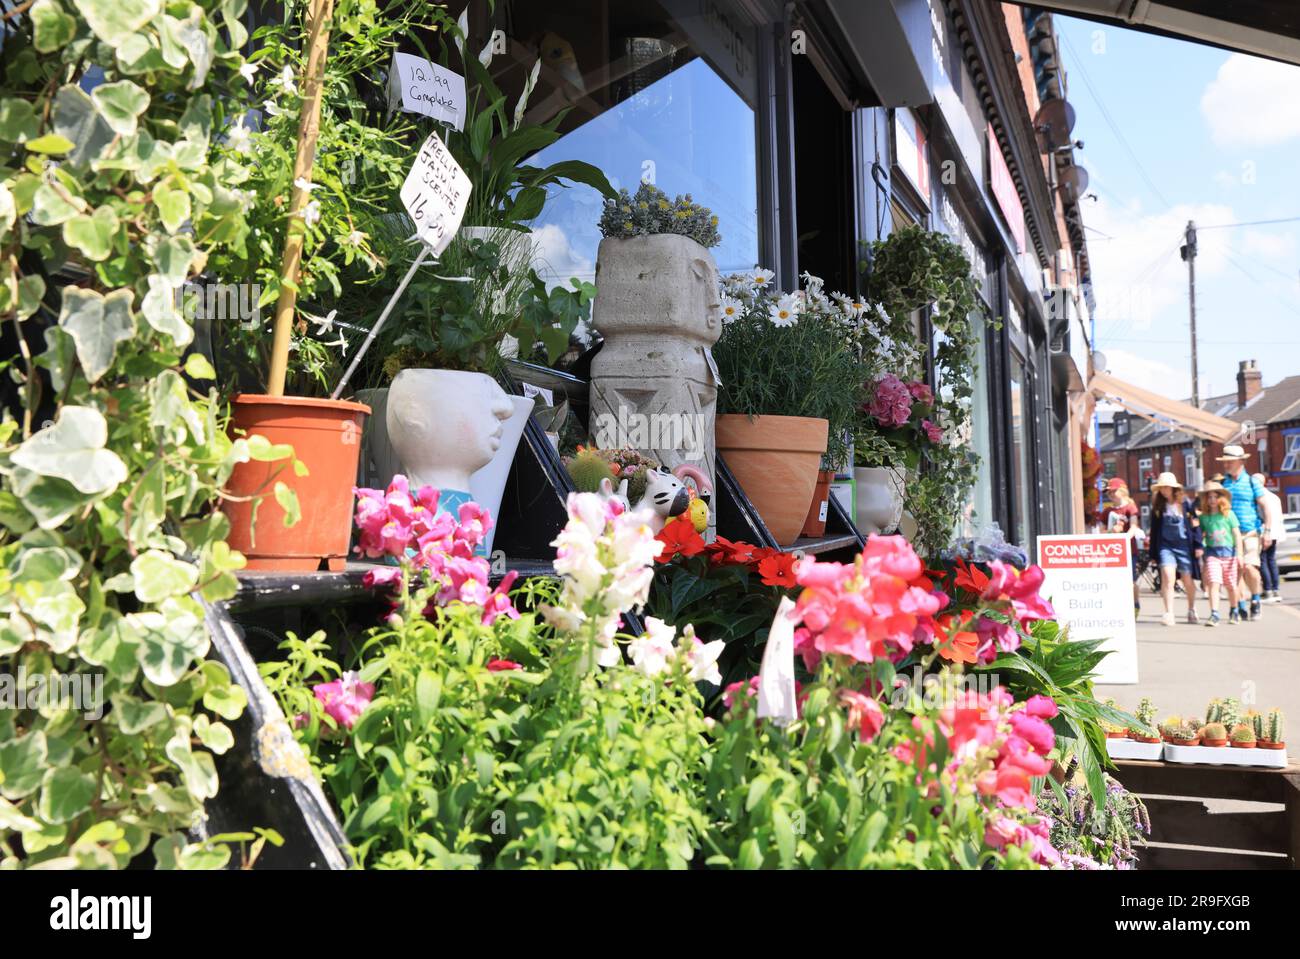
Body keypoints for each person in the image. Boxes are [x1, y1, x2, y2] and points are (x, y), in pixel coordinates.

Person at [1218, 445, 1267, 620]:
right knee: (1234, 572)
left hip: (1250, 532)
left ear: (1240, 462)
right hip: (1229, 535)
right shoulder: (1223, 484)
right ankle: (1240, 604)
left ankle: (1255, 599)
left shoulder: (1252, 482)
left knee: (1249, 567)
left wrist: (1267, 530)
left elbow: (1264, 505)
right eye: (1225, 462)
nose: (1226, 465)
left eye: (1229, 462)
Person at [1147, 472, 1202, 626]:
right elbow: (1154, 530)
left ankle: (1191, 608)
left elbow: (1195, 524)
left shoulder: (1186, 504)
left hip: (1184, 546)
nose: (1164, 490)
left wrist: (1198, 545)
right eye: (1161, 488)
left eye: (1166, 487)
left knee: (1187, 579)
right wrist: (1153, 552)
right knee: (1167, 576)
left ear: (1173, 488)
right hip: (1166, 546)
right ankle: (1168, 613)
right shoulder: (1158, 507)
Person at [1197, 481, 1242, 626]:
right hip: (1212, 554)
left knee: (1231, 585)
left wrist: (1240, 555)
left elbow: (1237, 535)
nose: (1212, 500)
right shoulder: (1203, 517)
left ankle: (1234, 610)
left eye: (1215, 497)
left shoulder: (1229, 514)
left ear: (1221, 498)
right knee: (1214, 583)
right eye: (1209, 497)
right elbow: (1201, 534)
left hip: (1229, 553)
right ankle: (1214, 613)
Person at [1102, 477, 1142, 614]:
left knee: (1131, 580)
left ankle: (1135, 604)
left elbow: (1134, 526)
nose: (1111, 494)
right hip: (1112, 552)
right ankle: (1120, 607)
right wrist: (1110, 532)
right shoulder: (1107, 511)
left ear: (1122, 490)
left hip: (1129, 550)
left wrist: (1124, 539)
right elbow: (1102, 531)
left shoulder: (1130, 508)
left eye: (1113, 491)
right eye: (1109, 492)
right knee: (1115, 581)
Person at [1254, 473, 1284, 604]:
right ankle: (1275, 589)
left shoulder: (1260, 497)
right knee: (1271, 560)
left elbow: (1262, 515)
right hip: (1275, 531)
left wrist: (1265, 531)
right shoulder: (1274, 497)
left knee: (1263, 560)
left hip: (1264, 531)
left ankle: (1268, 590)